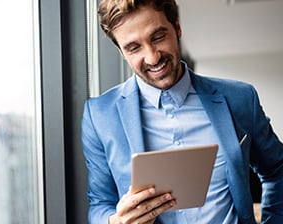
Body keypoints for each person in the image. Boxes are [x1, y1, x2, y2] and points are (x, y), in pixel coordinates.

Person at [81, 0, 283, 223]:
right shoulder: (99, 115)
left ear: (177, 27)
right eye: (134, 47)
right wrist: (115, 221)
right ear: (121, 51)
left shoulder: (240, 98)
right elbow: (100, 203)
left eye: (158, 37)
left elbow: (277, 168)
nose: (152, 57)